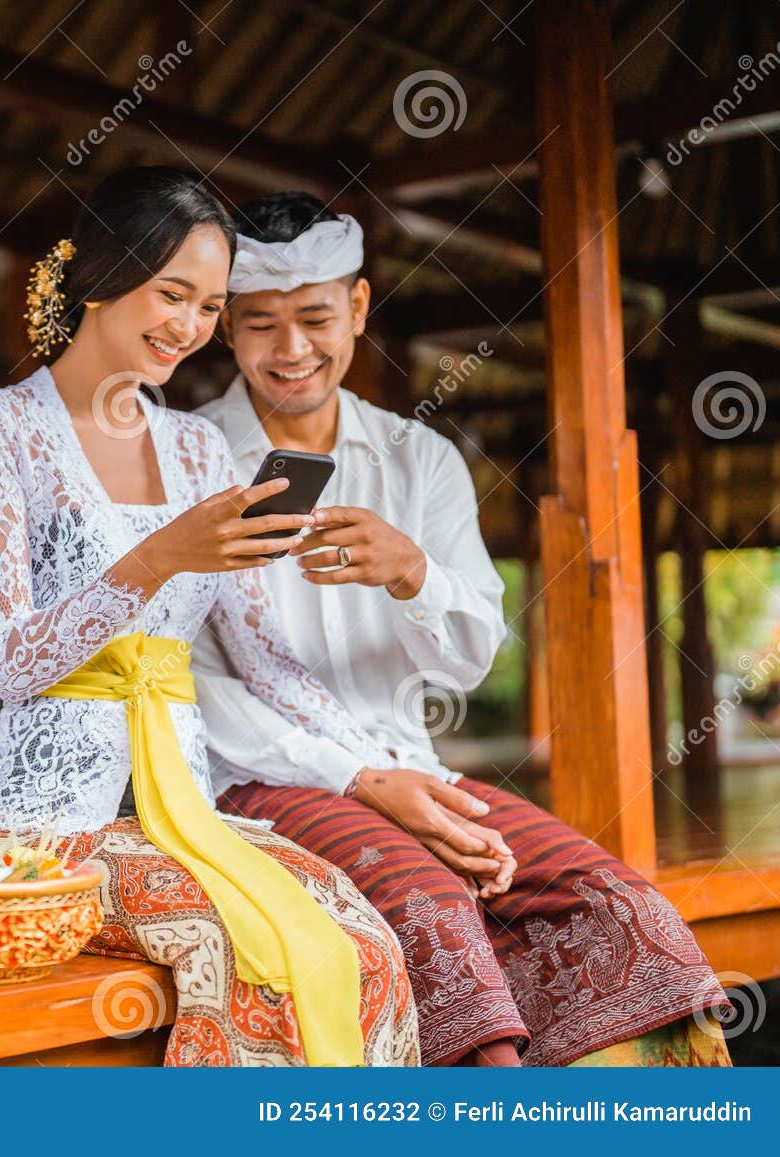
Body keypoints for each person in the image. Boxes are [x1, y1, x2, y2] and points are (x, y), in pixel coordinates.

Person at [191, 191, 732, 1067]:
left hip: (418, 767)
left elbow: (471, 659)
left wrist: (413, 572)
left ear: (358, 307)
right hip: (261, 780)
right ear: (225, 327)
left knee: (617, 902)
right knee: (436, 910)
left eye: (317, 317)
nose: (291, 350)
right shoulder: (188, 460)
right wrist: (361, 779)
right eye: (260, 324)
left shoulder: (420, 460)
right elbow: (190, 690)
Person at [0, 167, 418, 1067]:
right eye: (173, 294)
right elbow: (10, 662)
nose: (192, 328)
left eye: (209, 305)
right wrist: (160, 554)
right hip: (43, 822)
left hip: (184, 811)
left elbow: (266, 662)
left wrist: (380, 772)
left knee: (366, 942)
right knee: (258, 957)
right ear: (103, 275)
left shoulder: (199, 447)